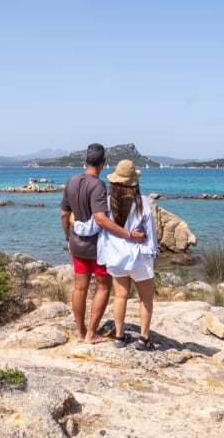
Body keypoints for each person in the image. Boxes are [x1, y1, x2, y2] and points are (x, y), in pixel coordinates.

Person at [60, 144, 145, 344]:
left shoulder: (71, 182)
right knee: (103, 287)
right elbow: (100, 219)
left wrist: (68, 239)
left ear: (85, 160)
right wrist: (129, 234)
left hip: (77, 244)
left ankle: (80, 333)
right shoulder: (98, 185)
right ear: (104, 163)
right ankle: (91, 334)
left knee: (80, 288)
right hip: (97, 247)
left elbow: (64, 214)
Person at [76, 159, 159, 351]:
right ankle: (144, 339)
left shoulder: (107, 202)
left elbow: (93, 225)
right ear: (134, 183)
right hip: (139, 257)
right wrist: (154, 256)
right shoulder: (142, 203)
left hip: (116, 258)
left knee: (120, 296)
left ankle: (120, 336)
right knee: (145, 299)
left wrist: (75, 224)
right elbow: (151, 235)